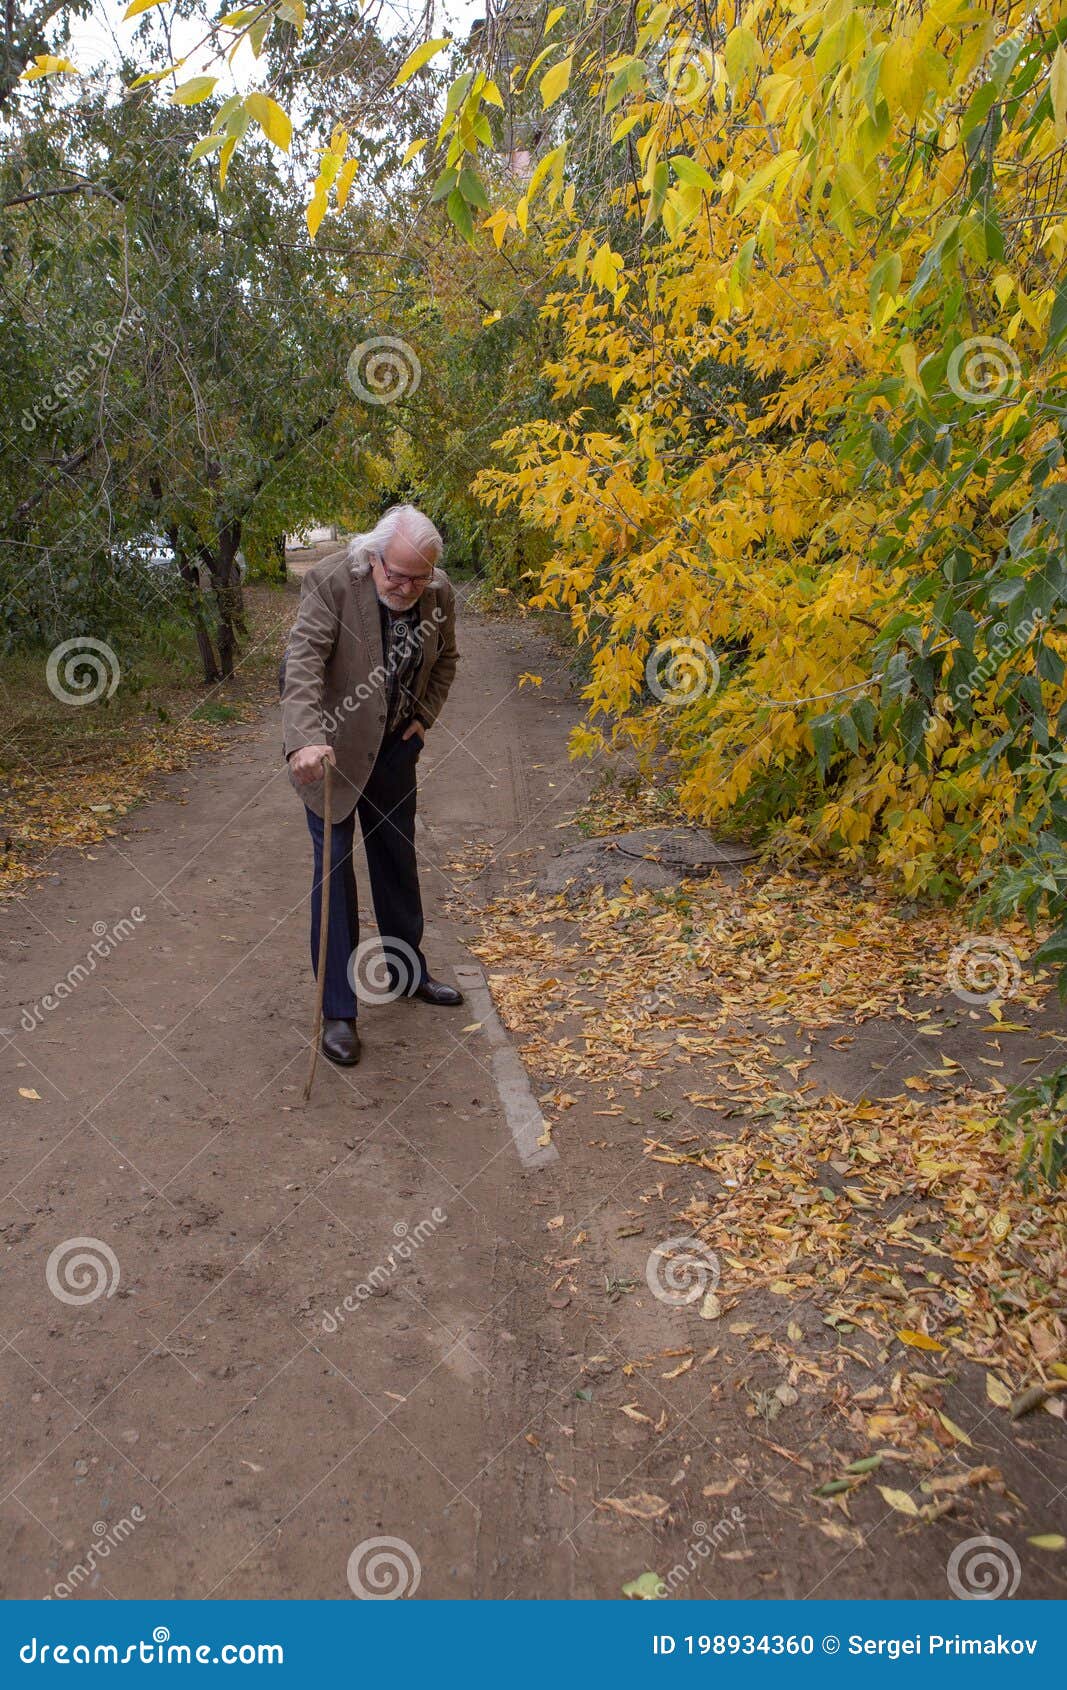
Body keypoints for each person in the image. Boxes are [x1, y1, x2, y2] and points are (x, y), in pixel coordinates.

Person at [280, 504, 464, 1066]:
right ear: (373, 557)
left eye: (420, 577)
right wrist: (303, 742)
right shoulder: (331, 581)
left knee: (395, 862)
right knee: (335, 876)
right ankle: (338, 1011)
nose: (408, 587)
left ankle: (408, 972)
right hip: (330, 755)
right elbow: (304, 662)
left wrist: (423, 717)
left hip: (394, 750)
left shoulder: (438, 592)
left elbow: (447, 660)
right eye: (397, 575)